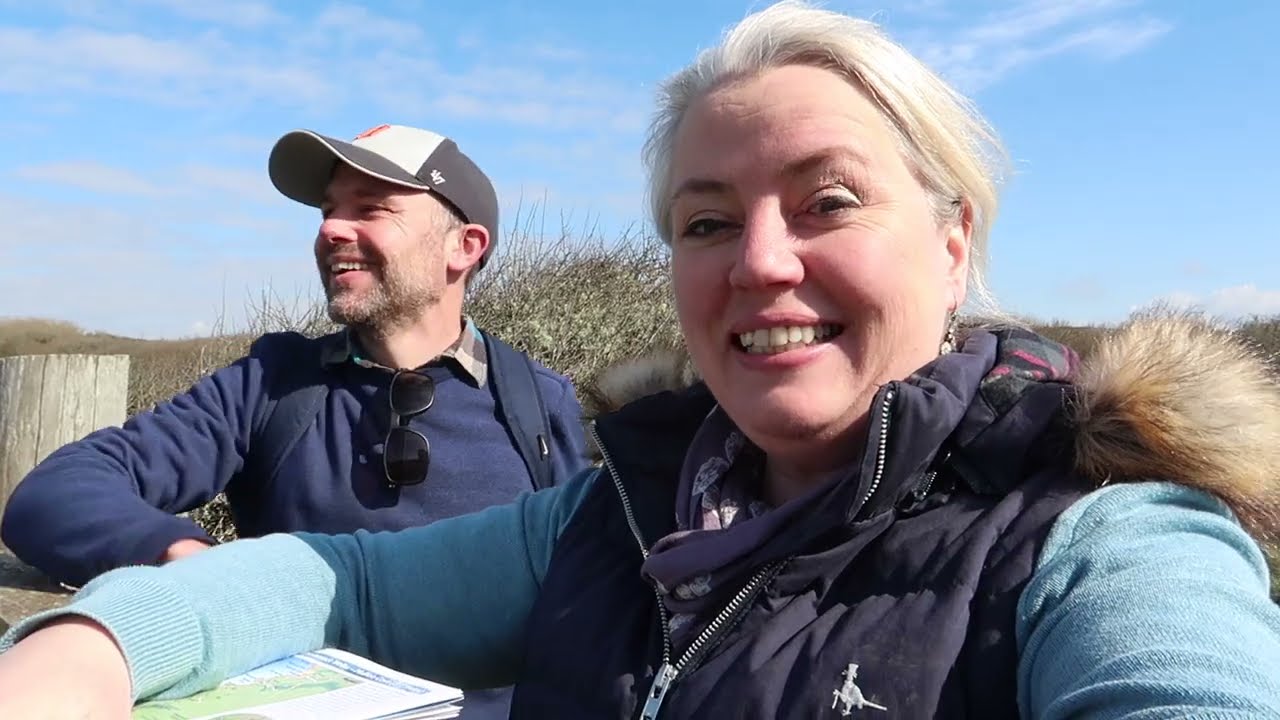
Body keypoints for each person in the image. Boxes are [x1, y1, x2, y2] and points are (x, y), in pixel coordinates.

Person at [2, 2, 1279, 717]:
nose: (760, 262)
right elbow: (332, 584)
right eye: (707, 222)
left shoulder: (1104, 547)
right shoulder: (624, 501)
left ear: (953, 243)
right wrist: (102, 637)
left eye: (827, 202)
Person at [0, 123, 589, 717]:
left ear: (464, 247)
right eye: (330, 210)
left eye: (371, 209)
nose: (331, 229)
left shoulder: (540, 406)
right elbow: (55, 494)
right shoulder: (273, 384)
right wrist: (190, 559)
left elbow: (591, 599)